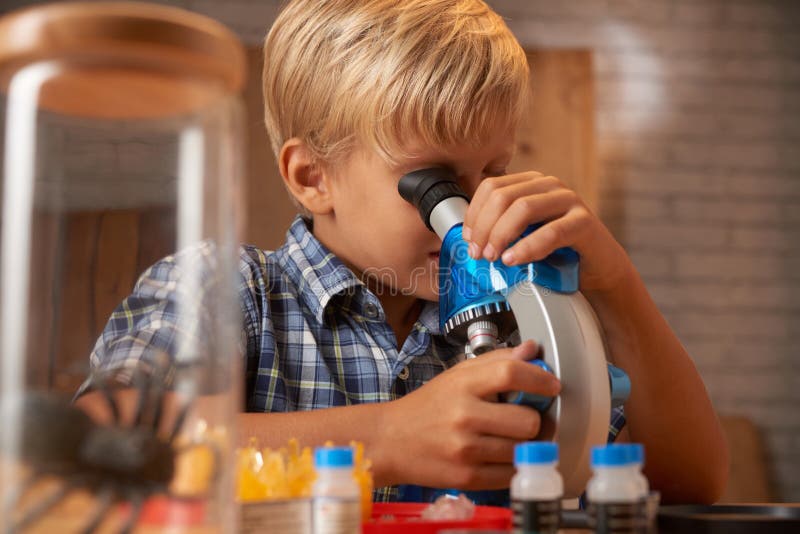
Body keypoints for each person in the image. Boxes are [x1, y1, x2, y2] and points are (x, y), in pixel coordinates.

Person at [77, 0, 728, 504]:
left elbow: (690, 484)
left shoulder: (510, 326)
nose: (468, 212)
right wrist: (385, 438)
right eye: (435, 183)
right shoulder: (227, 289)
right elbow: (96, 448)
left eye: (490, 173)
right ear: (313, 177)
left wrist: (616, 285)